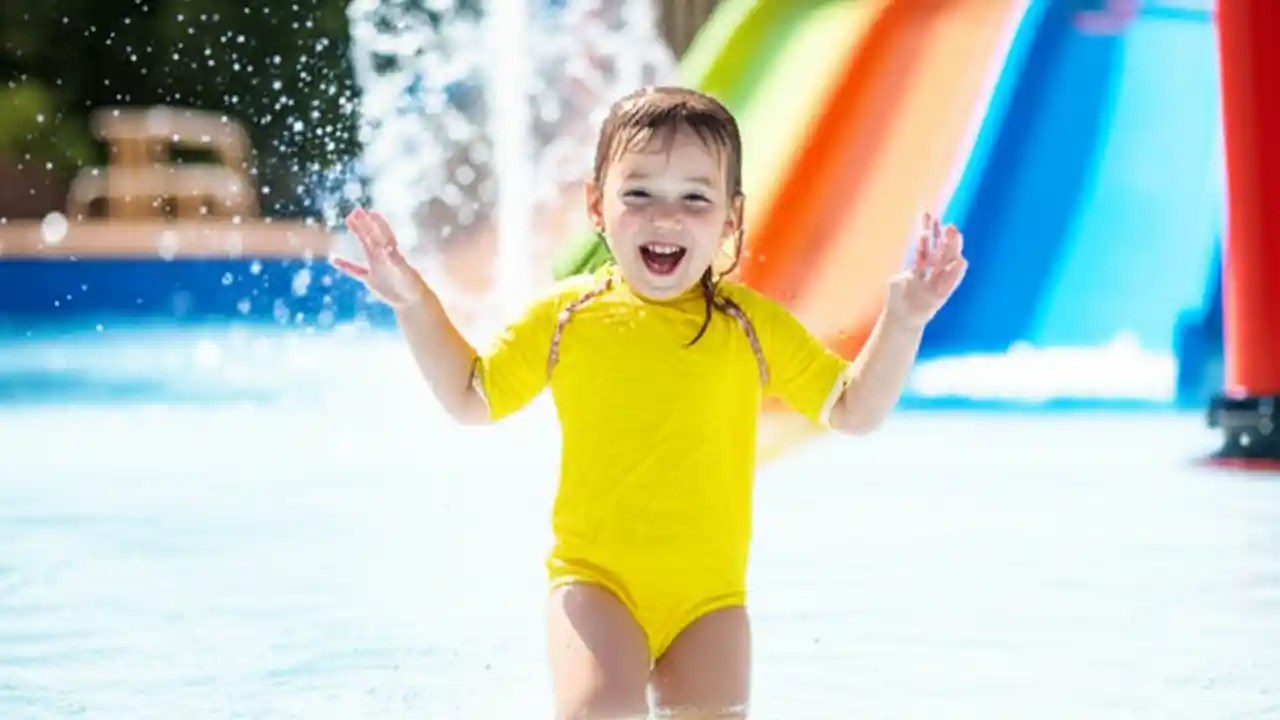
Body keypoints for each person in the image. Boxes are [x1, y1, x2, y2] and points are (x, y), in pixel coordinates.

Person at [331, 86, 967, 719]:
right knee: (601, 711)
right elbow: (471, 396)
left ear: (730, 219)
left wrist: (904, 320)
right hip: (595, 585)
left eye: (695, 197)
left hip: (709, 602)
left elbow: (852, 410)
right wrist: (413, 301)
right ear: (596, 205)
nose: (666, 217)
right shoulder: (566, 317)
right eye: (639, 193)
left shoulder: (752, 327)